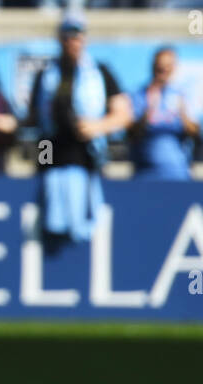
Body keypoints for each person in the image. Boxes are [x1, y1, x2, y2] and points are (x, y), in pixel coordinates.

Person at [24, 15, 132, 251]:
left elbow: (123, 115)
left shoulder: (99, 72)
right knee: (49, 208)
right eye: (67, 37)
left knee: (82, 212)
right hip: (50, 151)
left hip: (86, 153)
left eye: (77, 36)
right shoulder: (46, 74)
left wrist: (96, 126)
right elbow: (33, 119)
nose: (72, 42)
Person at [127, 47, 198, 180]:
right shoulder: (139, 95)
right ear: (153, 67)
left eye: (168, 66)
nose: (164, 70)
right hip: (145, 172)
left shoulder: (182, 95)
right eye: (160, 66)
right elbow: (131, 132)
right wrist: (148, 112)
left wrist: (183, 114)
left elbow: (195, 131)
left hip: (178, 172)